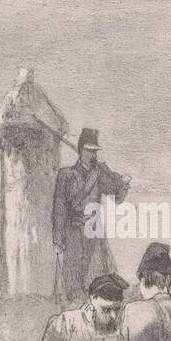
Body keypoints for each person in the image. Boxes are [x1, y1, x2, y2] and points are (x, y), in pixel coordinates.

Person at [52, 128, 131, 303]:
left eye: (94, 151)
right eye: (88, 150)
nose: (92, 154)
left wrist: (123, 184)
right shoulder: (66, 174)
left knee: (97, 278)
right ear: (80, 150)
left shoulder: (98, 174)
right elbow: (59, 208)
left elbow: (116, 197)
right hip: (73, 231)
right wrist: (58, 239)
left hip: (94, 233)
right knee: (73, 278)